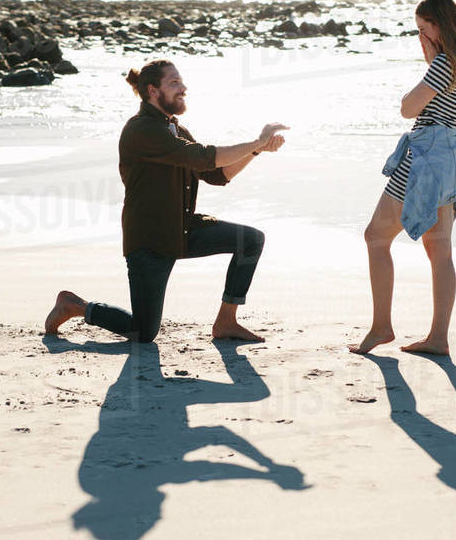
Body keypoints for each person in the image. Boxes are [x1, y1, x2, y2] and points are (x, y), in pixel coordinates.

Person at [45, 60, 288, 343]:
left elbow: (216, 174)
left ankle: (226, 322)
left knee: (250, 240)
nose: (183, 88)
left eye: (181, 81)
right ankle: (75, 306)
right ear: (153, 91)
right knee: (143, 332)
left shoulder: (176, 129)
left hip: (183, 230)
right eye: (174, 83)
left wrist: (257, 151)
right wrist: (257, 142)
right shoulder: (141, 130)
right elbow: (203, 156)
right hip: (149, 242)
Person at [350, 0, 456, 356]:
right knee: (441, 252)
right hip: (450, 158)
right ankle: (438, 337)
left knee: (376, 237)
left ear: (439, 25)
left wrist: (430, 61)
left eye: (423, 28)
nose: (420, 35)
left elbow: (408, 109)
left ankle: (382, 327)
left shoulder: (443, 64)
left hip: (424, 157)